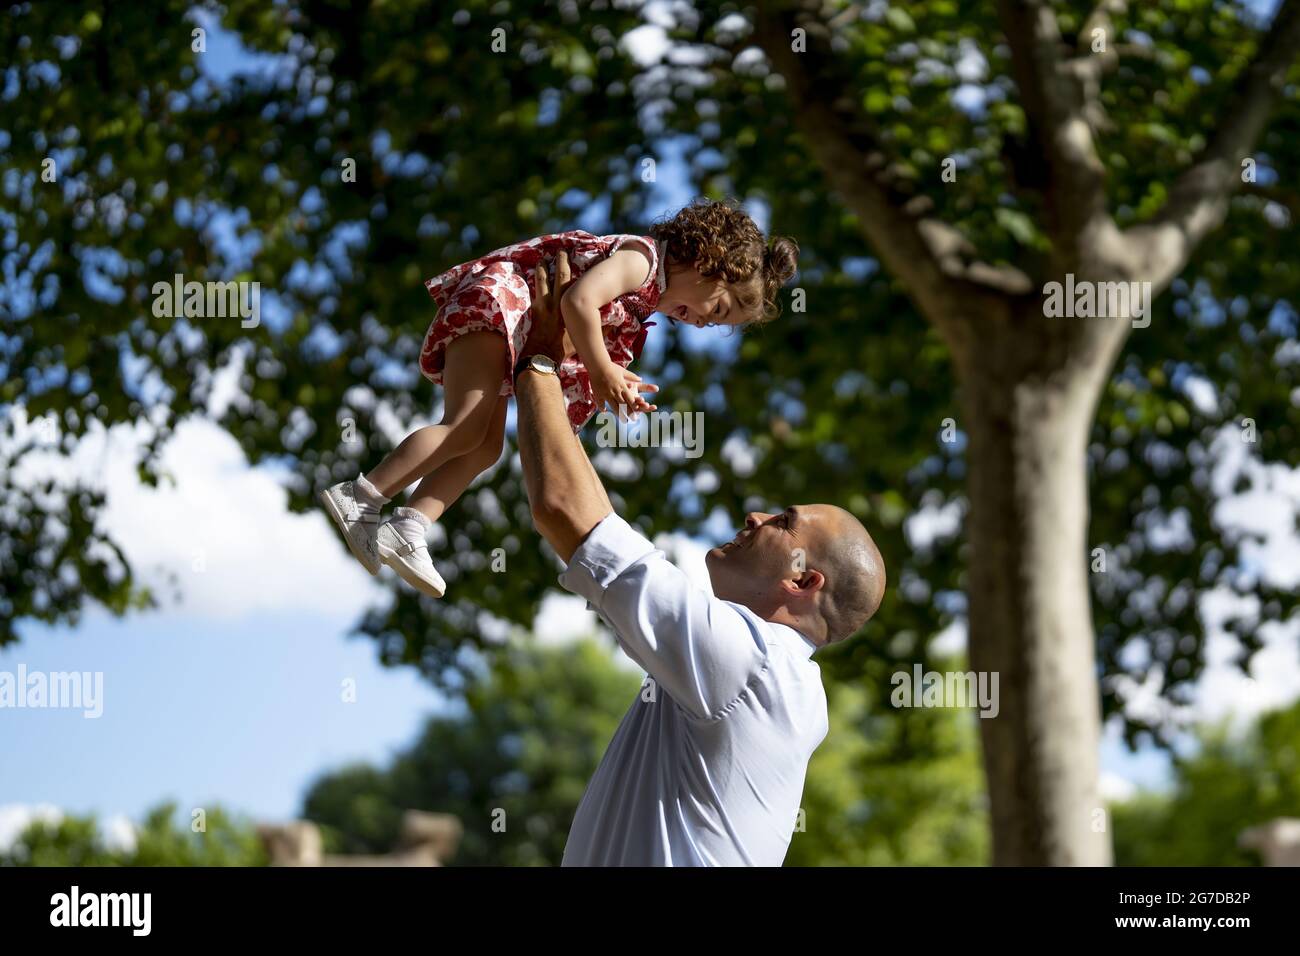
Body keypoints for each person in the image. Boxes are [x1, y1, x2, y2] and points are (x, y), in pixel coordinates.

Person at [513, 250, 887, 866]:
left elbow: (566, 511)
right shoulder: (767, 679)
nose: (756, 516)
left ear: (804, 580)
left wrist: (541, 359)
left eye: (783, 523)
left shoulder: (753, 665)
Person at [319, 199, 798, 598]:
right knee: (465, 425)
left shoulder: (643, 301)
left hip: (515, 325)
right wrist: (603, 369)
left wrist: (614, 378)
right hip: (497, 302)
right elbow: (577, 302)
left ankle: (409, 525)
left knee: (486, 446)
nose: (701, 322)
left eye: (714, 325)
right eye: (716, 308)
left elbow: (586, 334)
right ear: (709, 262)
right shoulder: (642, 259)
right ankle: (361, 494)